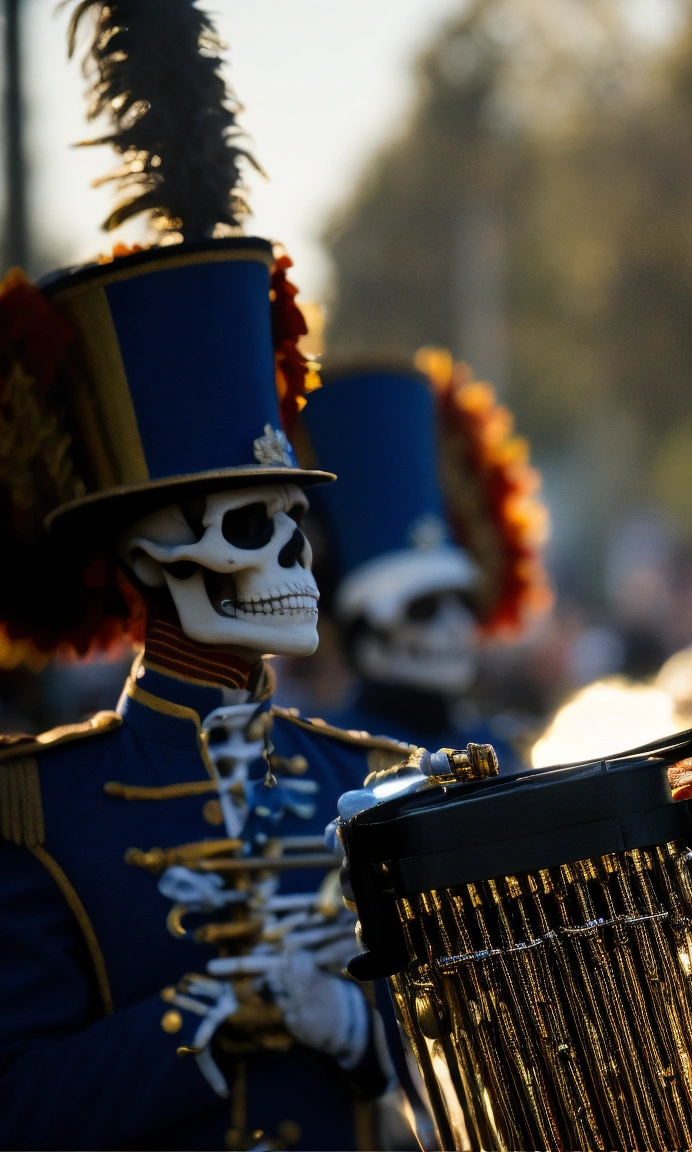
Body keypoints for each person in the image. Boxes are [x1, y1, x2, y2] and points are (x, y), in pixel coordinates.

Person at [0, 5, 413, 1144]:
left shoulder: (377, 779)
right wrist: (206, 1011)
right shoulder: (39, 812)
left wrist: (358, 1026)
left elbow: (488, 1061)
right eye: (247, 525)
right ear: (146, 556)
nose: (295, 556)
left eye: (293, 520)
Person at [299, 355, 546, 760]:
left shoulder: (505, 751)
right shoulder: (324, 760)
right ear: (368, 632)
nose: (457, 625)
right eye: (423, 606)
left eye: (464, 602)